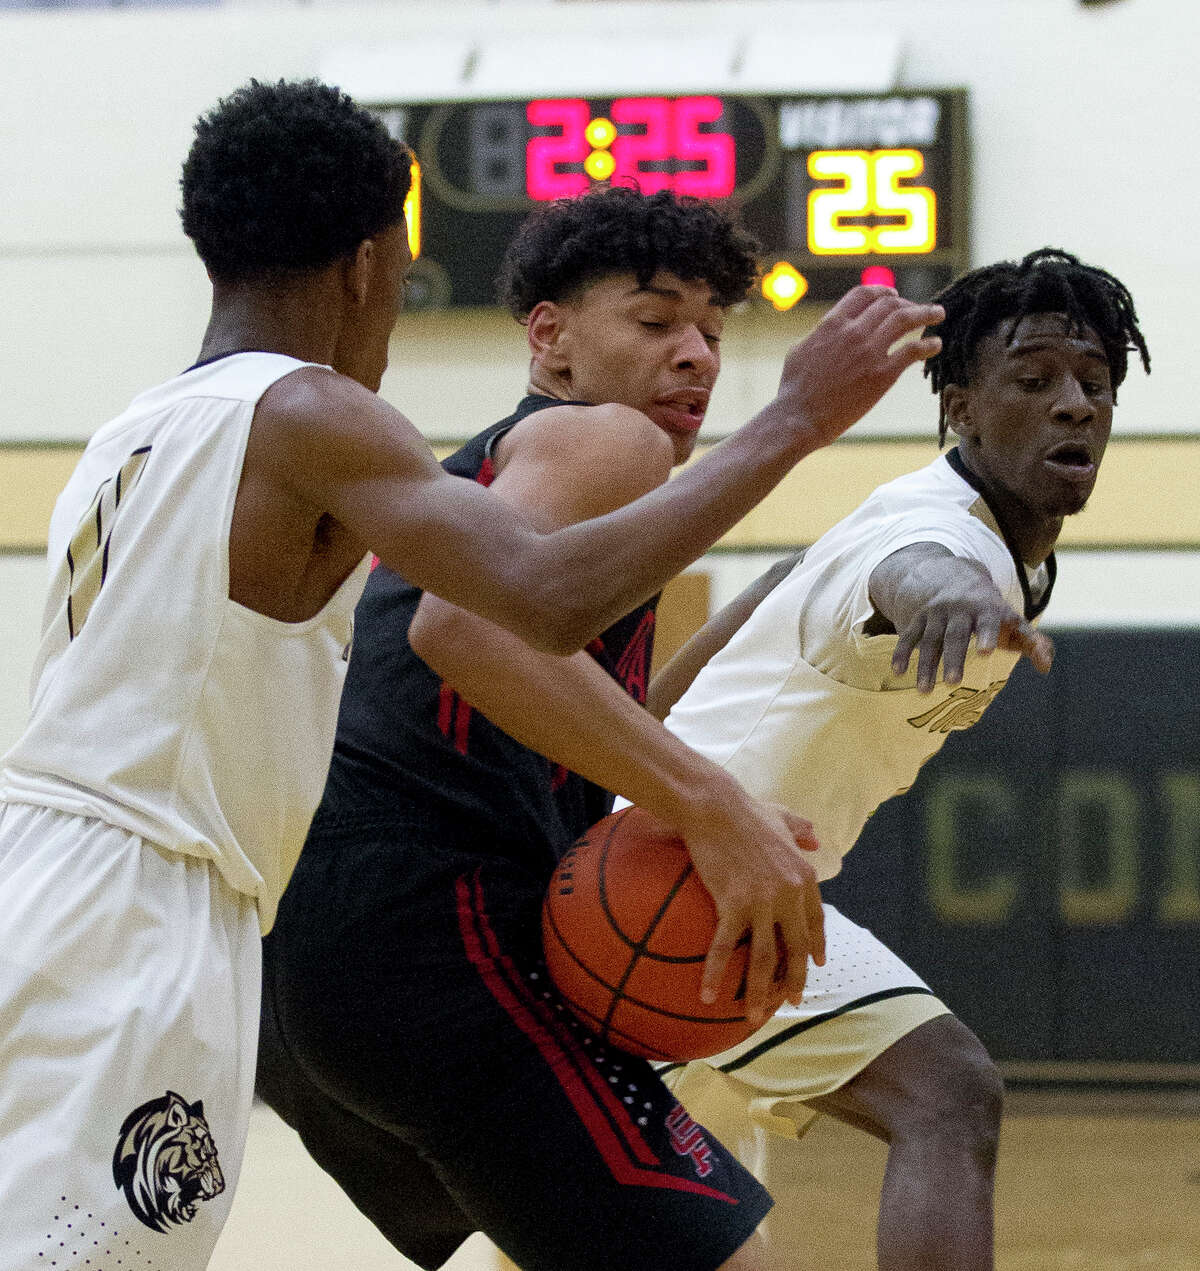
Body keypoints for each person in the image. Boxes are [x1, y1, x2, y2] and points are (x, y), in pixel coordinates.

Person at [0, 80, 936, 1271]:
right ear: (364, 264)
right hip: (156, 902)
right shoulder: (319, 414)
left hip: (60, 876)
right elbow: (523, 606)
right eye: (395, 270)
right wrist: (794, 417)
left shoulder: (136, 428)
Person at [257, 184, 944, 1271]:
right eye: (656, 319)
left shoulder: (497, 478)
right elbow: (465, 634)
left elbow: (529, 691)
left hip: (313, 955)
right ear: (551, 338)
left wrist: (698, 705)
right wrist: (712, 805)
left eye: (714, 333)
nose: (697, 356)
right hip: (434, 931)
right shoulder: (603, 437)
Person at [640, 248, 1152, 1270]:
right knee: (947, 1091)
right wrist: (947, 594)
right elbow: (904, 569)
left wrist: (633, 729)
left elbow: (785, 580)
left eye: (1093, 383)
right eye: (1035, 378)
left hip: (723, 893)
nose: (1072, 406)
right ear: (960, 404)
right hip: (683, 893)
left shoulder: (993, 541)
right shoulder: (934, 530)